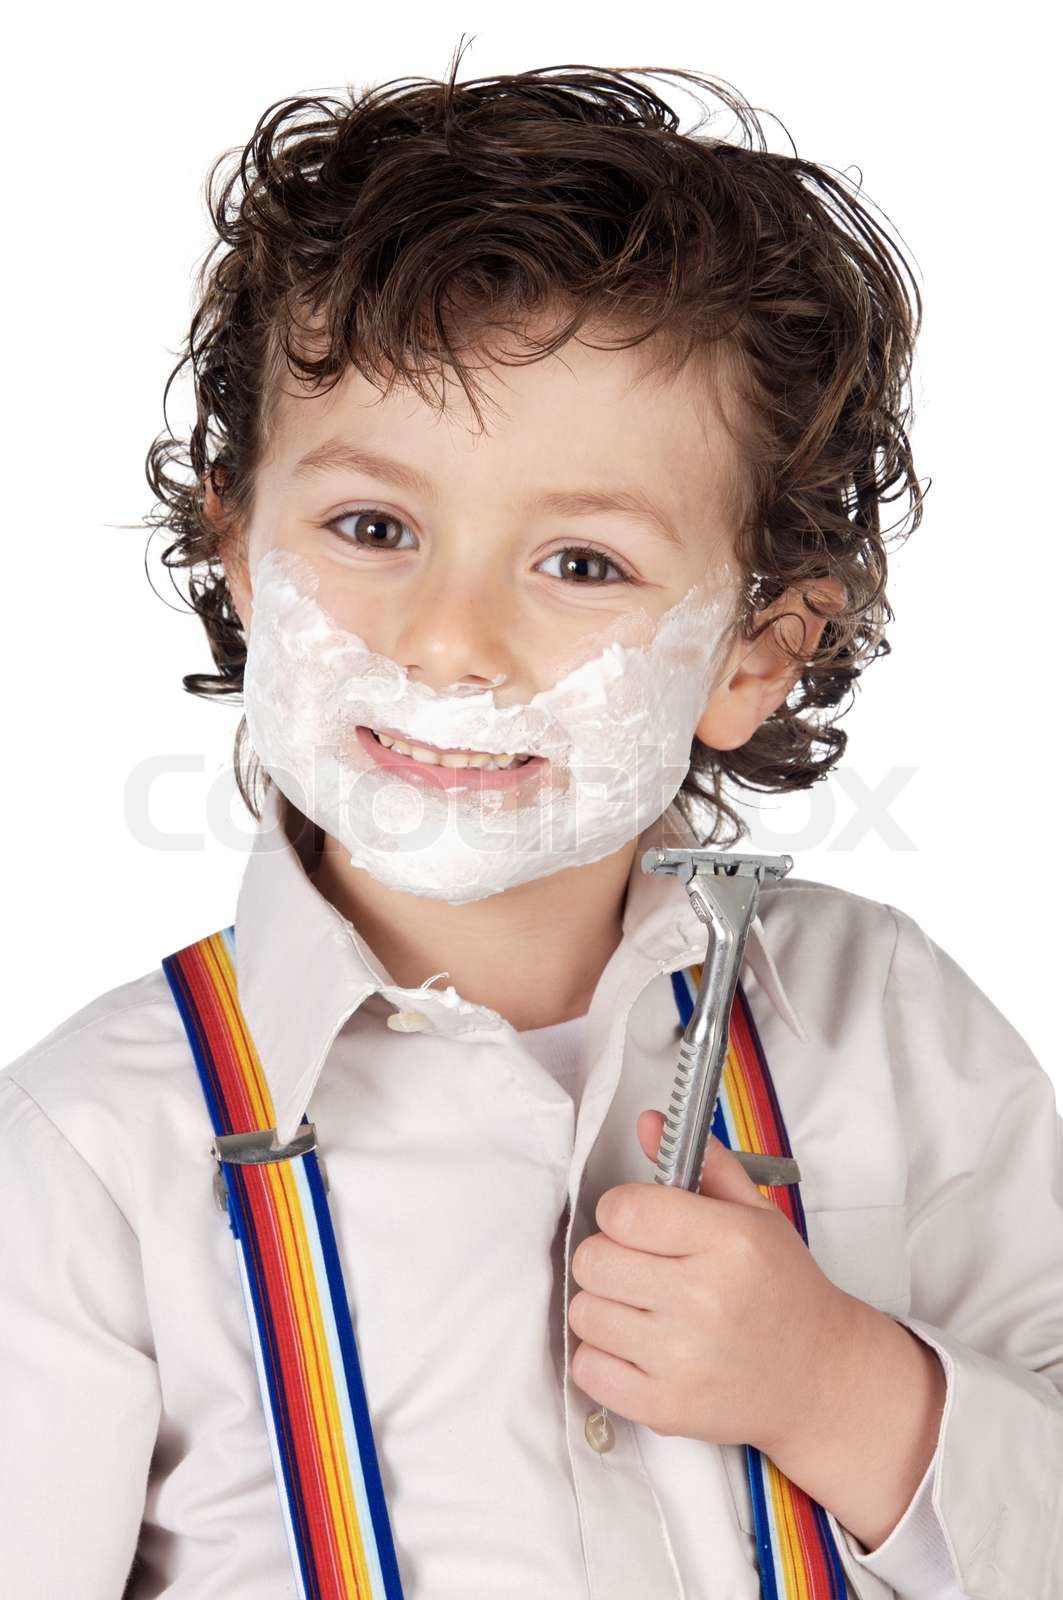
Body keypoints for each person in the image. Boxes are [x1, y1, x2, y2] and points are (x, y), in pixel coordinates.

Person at [2, 56, 1060, 1600]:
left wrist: (845, 1392)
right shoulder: (88, 1153)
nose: (450, 644)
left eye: (581, 563)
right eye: (374, 528)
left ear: (755, 653)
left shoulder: (889, 1027)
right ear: (237, 551)